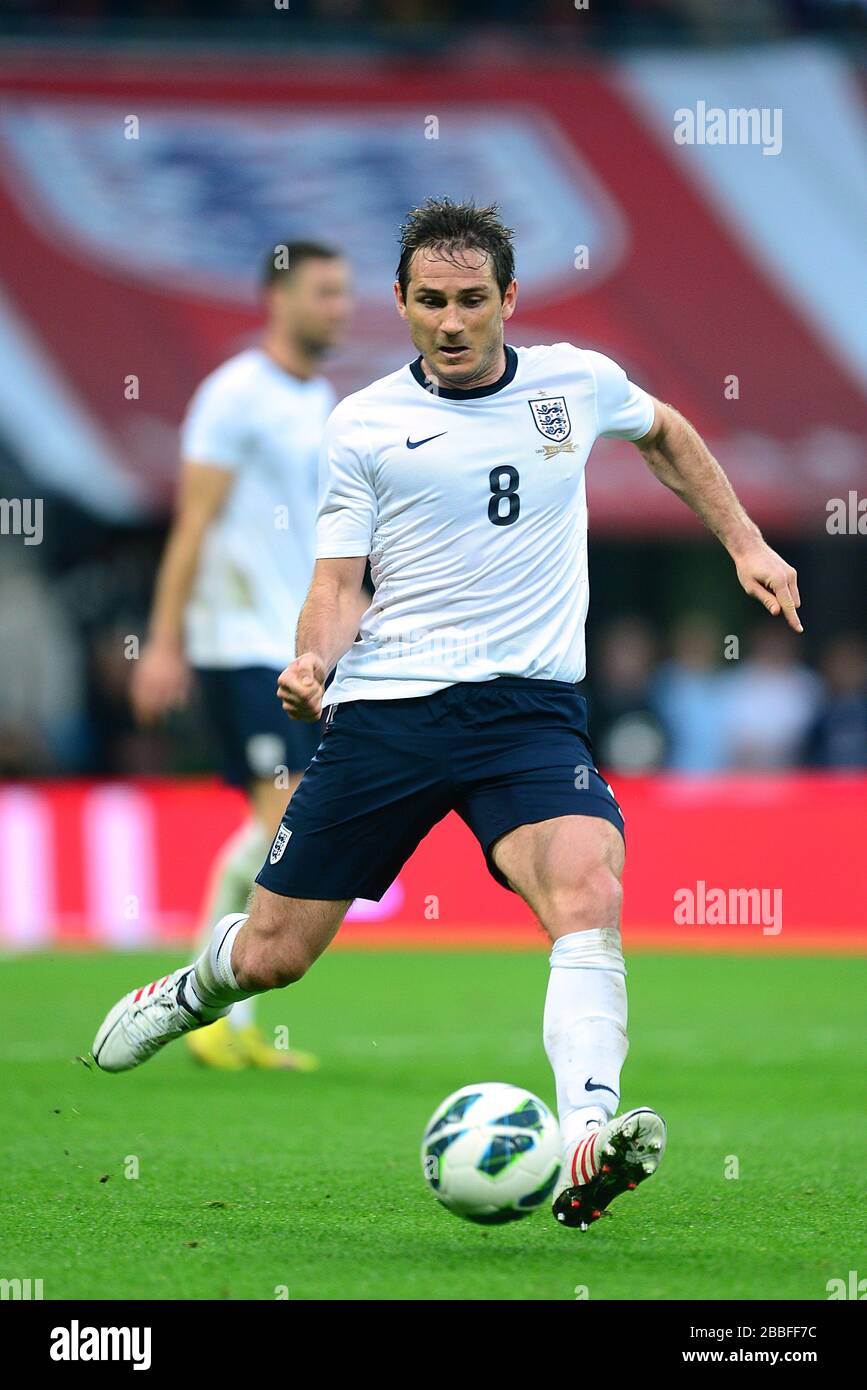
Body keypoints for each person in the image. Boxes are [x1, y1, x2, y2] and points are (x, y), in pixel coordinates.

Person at [94, 199, 802, 1230]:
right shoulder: (368, 423)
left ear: (509, 300)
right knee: (275, 955)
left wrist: (742, 541)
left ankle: (586, 1138)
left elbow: (668, 433)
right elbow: (339, 581)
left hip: (529, 713)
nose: (453, 320)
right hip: (389, 710)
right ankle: (192, 993)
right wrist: (312, 658)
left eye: (474, 299)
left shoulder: (576, 381)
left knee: (587, 887)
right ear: (403, 303)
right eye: (431, 300)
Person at [128, 239, 353, 1070]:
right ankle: (209, 1012)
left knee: (276, 830)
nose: (340, 308)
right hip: (235, 646)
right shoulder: (233, 396)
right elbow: (192, 522)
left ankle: (226, 1020)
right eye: (325, 293)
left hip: (295, 651)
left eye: (344, 294)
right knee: (281, 826)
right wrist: (164, 641)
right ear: (279, 297)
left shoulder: (321, 398)